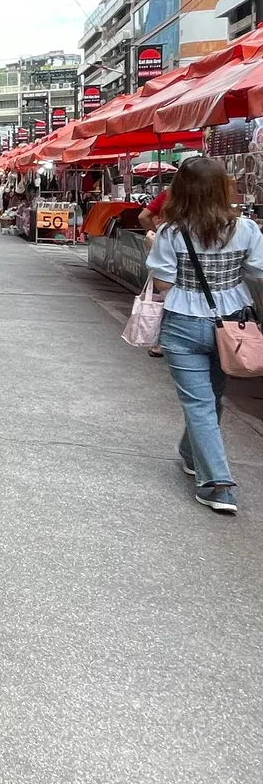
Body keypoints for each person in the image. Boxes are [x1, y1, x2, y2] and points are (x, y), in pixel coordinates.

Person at [146, 156, 263, 515]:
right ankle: (196, 459)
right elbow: (257, 271)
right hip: (233, 323)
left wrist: (153, 244)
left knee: (200, 401)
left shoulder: (171, 232)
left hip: (183, 320)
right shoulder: (245, 229)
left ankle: (217, 483)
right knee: (211, 396)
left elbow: (163, 284)